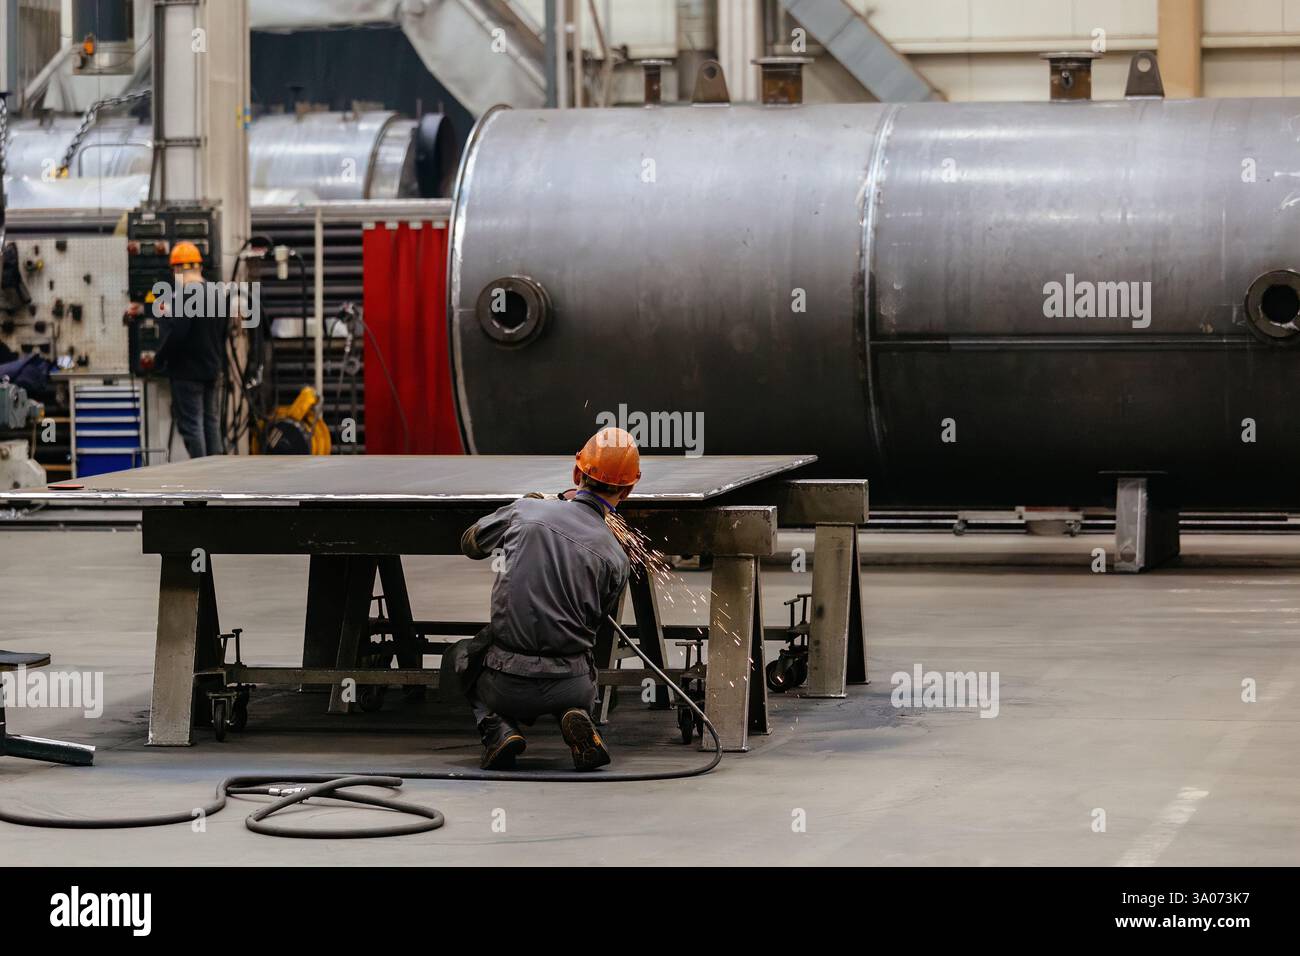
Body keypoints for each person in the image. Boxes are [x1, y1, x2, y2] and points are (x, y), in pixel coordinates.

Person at [451, 427, 640, 770]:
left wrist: (527, 505)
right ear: (628, 489)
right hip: (573, 684)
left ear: (576, 473)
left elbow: (470, 544)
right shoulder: (616, 555)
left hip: (505, 681)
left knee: (461, 654)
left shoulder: (524, 512)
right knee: (576, 651)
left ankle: (497, 729)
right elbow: (598, 620)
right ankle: (575, 711)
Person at [154, 241, 225, 458]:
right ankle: (217, 473)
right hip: (211, 369)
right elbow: (221, 331)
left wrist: (160, 359)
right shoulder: (217, 293)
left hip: (187, 372)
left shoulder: (186, 295)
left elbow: (178, 332)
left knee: (193, 426)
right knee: (211, 422)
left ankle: (202, 477)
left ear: (177, 270)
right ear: (199, 267)